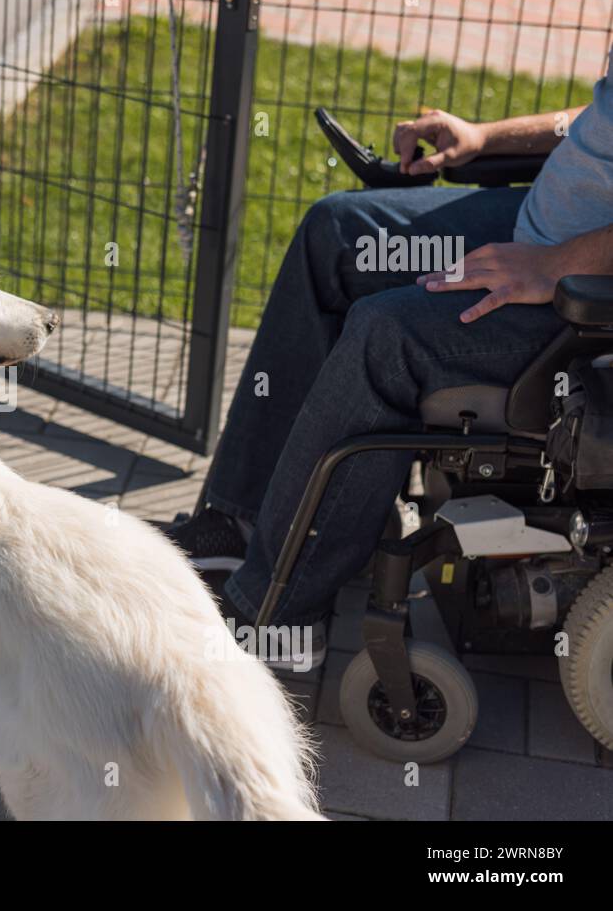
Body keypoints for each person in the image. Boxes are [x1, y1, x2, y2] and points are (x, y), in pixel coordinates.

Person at [166, 45, 613, 661]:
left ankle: (277, 612)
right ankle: (240, 521)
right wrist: (485, 137)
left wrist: (556, 264)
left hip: (584, 300)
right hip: (535, 231)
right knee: (339, 234)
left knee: (387, 337)